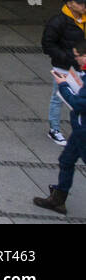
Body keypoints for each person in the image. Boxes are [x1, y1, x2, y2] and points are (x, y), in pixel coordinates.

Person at [33, 41, 86, 214]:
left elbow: (78, 104)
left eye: (78, 56)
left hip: (83, 132)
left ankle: (57, 199)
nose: (76, 60)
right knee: (66, 161)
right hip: (79, 131)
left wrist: (63, 85)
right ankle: (58, 199)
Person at [42, 0, 86, 147]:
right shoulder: (58, 21)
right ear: (70, 4)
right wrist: (66, 58)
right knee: (59, 97)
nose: (83, 6)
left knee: (80, 98)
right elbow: (47, 45)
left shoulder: (84, 19)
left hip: (82, 66)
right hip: (64, 67)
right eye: (80, 3)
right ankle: (54, 129)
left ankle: (79, 128)